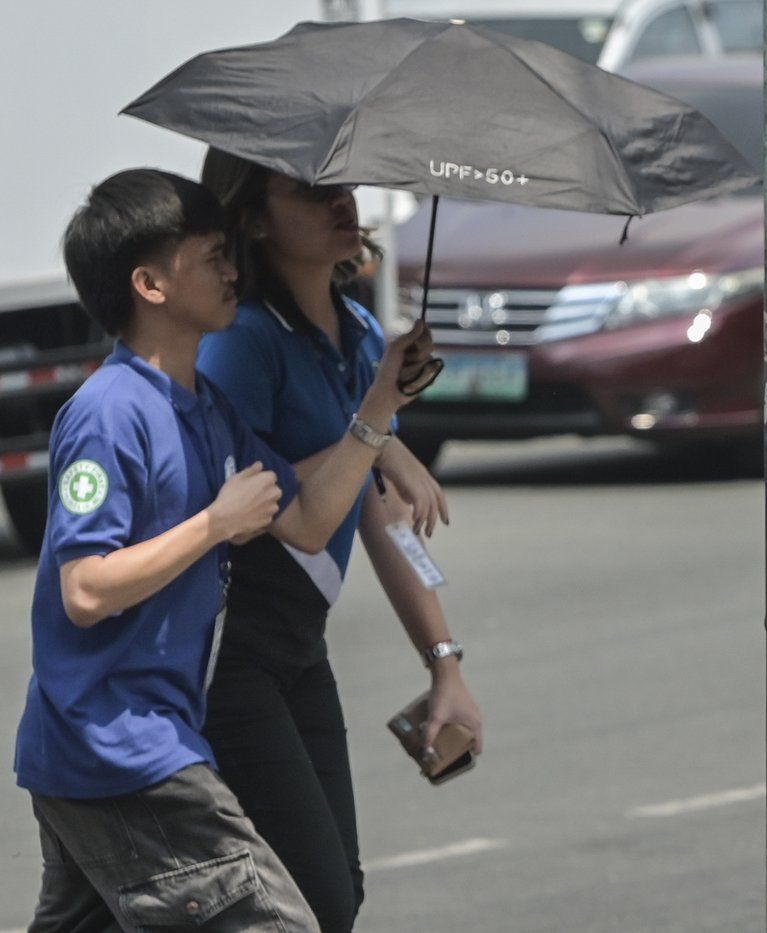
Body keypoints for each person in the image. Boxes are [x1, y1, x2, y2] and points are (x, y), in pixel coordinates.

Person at [14, 168, 432, 930]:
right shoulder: (108, 414)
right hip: (118, 744)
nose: (233, 269)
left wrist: (378, 409)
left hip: (131, 741)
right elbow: (85, 588)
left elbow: (306, 521)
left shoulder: (206, 412)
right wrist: (212, 523)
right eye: (210, 257)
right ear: (150, 284)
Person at [195, 149, 483, 931]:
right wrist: (377, 426)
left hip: (299, 646)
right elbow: (286, 507)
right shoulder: (243, 342)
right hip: (231, 650)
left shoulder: (357, 330)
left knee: (336, 892)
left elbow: (381, 511)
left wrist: (444, 663)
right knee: (311, 896)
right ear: (255, 218)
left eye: (346, 185)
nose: (342, 203)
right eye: (313, 190)